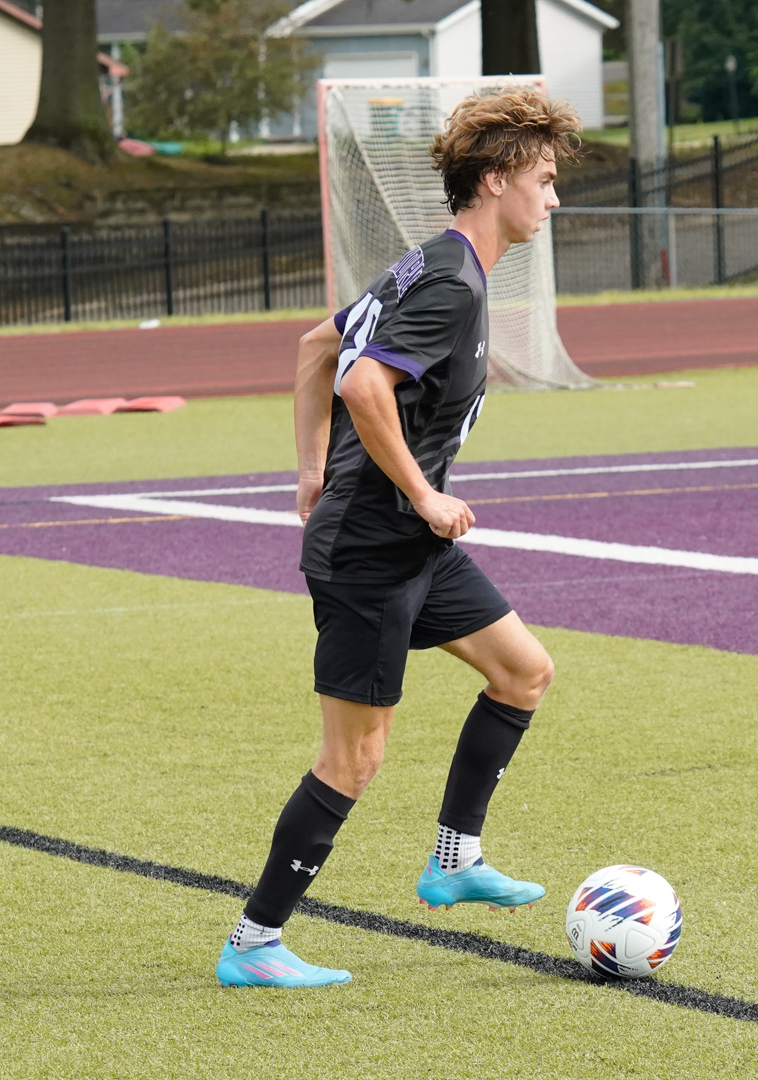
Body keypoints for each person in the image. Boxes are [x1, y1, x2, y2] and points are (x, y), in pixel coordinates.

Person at [217, 87, 581, 988]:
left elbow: (313, 346)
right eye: (542, 179)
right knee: (355, 758)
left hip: (404, 544)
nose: (553, 198)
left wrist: (310, 471)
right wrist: (421, 493)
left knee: (523, 671)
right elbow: (360, 384)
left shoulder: (434, 263)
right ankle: (254, 944)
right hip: (373, 551)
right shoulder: (452, 283)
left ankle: (454, 862)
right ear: (495, 181)